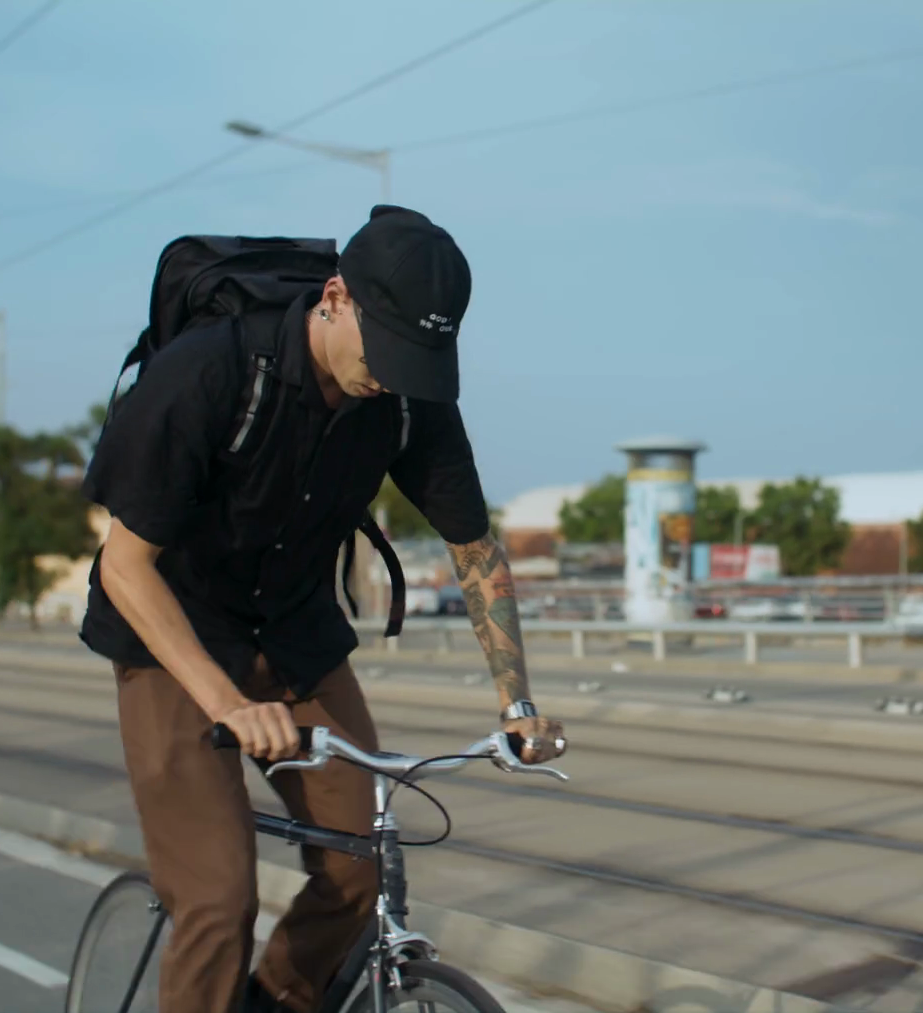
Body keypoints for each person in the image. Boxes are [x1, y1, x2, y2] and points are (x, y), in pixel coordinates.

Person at [78, 205, 566, 1013]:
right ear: (335, 297)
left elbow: (475, 549)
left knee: (360, 866)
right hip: (174, 639)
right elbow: (126, 566)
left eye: (418, 357)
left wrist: (517, 704)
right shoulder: (211, 374)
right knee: (217, 897)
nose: (394, 374)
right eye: (388, 349)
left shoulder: (405, 396)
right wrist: (229, 702)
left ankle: (277, 1003)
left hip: (297, 636)